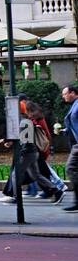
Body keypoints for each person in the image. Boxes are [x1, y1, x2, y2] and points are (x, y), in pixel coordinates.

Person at [0, 100, 63, 204]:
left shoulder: (24, 121)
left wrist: (8, 142)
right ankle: (56, 191)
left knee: (15, 175)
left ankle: (16, 197)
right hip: (32, 153)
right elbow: (22, 137)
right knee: (35, 175)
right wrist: (7, 140)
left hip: (27, 153)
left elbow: (24, 140)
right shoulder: (27, 120)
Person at [60, 84, 78, 212]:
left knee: (70, 168)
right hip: (75, 144)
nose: (63, 96)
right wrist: (65, 130)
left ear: (73, 93)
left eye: (65, 93)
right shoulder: (74, 105)